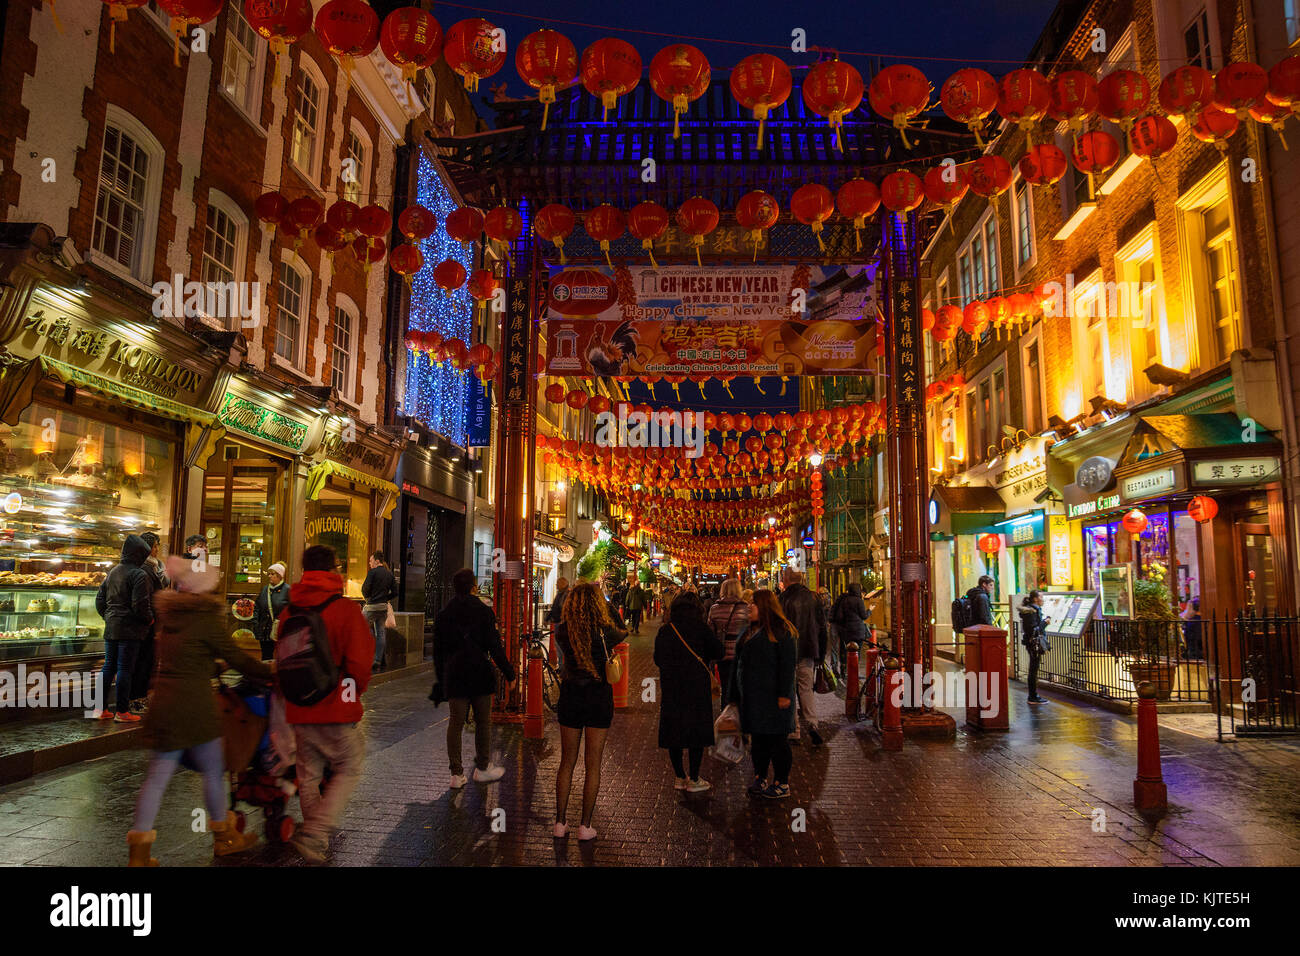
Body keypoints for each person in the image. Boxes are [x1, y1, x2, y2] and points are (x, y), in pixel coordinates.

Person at [126, 556, 273, 866]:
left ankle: (138, 855)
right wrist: (270, 674)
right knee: (212, 772)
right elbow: (236, 657)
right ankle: (224, 838)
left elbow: (184, 654)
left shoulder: (170, 614)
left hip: (164, 704)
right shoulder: (206, 618)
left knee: (155, 780)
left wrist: (207, 663)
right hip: (195, 708)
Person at [279, 545, 374, 864]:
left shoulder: (289, 611)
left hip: (299, 706)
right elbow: (360, 665)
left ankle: (315, 837)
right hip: (334, 706)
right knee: (350, 763)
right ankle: (316, 834)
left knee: (308, 774)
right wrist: (351, 694)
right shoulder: (345, 610)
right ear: (334, 569)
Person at [432, 568, 517, 788]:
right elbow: (495, 648)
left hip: (455, 674)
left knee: (456, 723)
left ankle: (456, 774)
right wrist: (509, 673)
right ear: (474, 587)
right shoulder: (484, 612)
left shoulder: (443, 615)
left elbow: (438, 653)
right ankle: (482, 768)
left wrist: (442, 681)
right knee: (483, 722)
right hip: (479, 673)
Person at [552, 581, 622, 841]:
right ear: (596, 604)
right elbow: (623, 630)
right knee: (593, 765)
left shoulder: (563, 631)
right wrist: (607, 604)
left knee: (566, 763)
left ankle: (560, 823)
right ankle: (585, 826)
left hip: (571, 696)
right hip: (598, 697)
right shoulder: (605, 631)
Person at [729, 589, 797, 800]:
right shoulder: (748, 631)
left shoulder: (782, 632)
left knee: (777, 740)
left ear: (765, 607)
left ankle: (782, 782)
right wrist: (732, 695)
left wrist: (784, 695)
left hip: (772, 697)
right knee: (758, 740)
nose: (749, 607)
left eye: (754, 604)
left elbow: (787, 666)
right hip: (751, 696)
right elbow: (737, 664)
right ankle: (760, 776)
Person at [654, 592, 724, 793]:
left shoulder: (666, 631)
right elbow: (718, 652)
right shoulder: (701, 629)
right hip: (696, 689)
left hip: (672, 688)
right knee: (697, 732)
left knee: (673, 731)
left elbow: (657, 659)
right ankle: (694, 778)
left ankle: (679, 776)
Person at [92, 534, 155, 723]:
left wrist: (109, 616)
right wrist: (149, 620)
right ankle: (122, 711)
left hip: (112, 626)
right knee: (125, 669)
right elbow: (140, 605)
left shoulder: (113, 571)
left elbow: (99, 600)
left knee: (108, 666)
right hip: (130, 630)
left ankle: (99, 709)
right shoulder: (139, 574)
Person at [777, 567, 829, 747]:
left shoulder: (783, 599)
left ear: (787, 579)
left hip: (788, 651)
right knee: (806, 689)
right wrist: (821, 653)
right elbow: (822, 628)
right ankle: (813, 723)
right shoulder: (814, 598)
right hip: (808, 650)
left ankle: (794, 730)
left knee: (789, 688)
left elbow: (779, 627)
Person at [708, 578, 750, 706]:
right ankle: (740, 718)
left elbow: (711, 633)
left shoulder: (714, 609)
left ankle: (726, 716)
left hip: (723, 654)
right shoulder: (746, 609)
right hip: (742, 654)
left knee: (726, 688)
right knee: (742, 688)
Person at [362, 550, 399, 672]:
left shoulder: (372, 573)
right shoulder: (389, 575)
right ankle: (377, 660)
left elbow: (365, 589)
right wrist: (385, 599)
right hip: (383, 607)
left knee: (359, 627)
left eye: (371, 561)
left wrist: (368, 599)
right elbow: (395, 592)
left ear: (377, 561)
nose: (369, 563)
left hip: (372, 606)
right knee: (381, 633)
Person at [252, 562, 290, 661]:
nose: (269, 576)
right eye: (269, 574)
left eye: (272, 574)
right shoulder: (265, 590)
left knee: (281, 658)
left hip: (279, 632)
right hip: (265, 632)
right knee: (266, 657)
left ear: (279, 575)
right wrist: (256, 625)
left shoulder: (287, 590)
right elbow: (257, 607)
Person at [1018, 590, 1051, 705]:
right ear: (1036, 599)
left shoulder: (1032, 610)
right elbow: (1034, 629)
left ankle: (1033, 695)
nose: (1043, 599)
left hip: (1031, 642)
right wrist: (1045, 622)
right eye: (1041, 597)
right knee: (1033, 669)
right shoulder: (1031, 612)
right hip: (1033, 643)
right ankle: (1032, 696)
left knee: (1034, 668)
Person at [830, 582, 869, 676]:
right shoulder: (859, 601)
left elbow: (840, 616)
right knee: (857, 651)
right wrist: (870, 610)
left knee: (845, 649)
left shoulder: (844, 600)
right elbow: (864, 616)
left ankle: (843, 669)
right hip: (858, 631)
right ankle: (853, 671)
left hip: (846, 631)